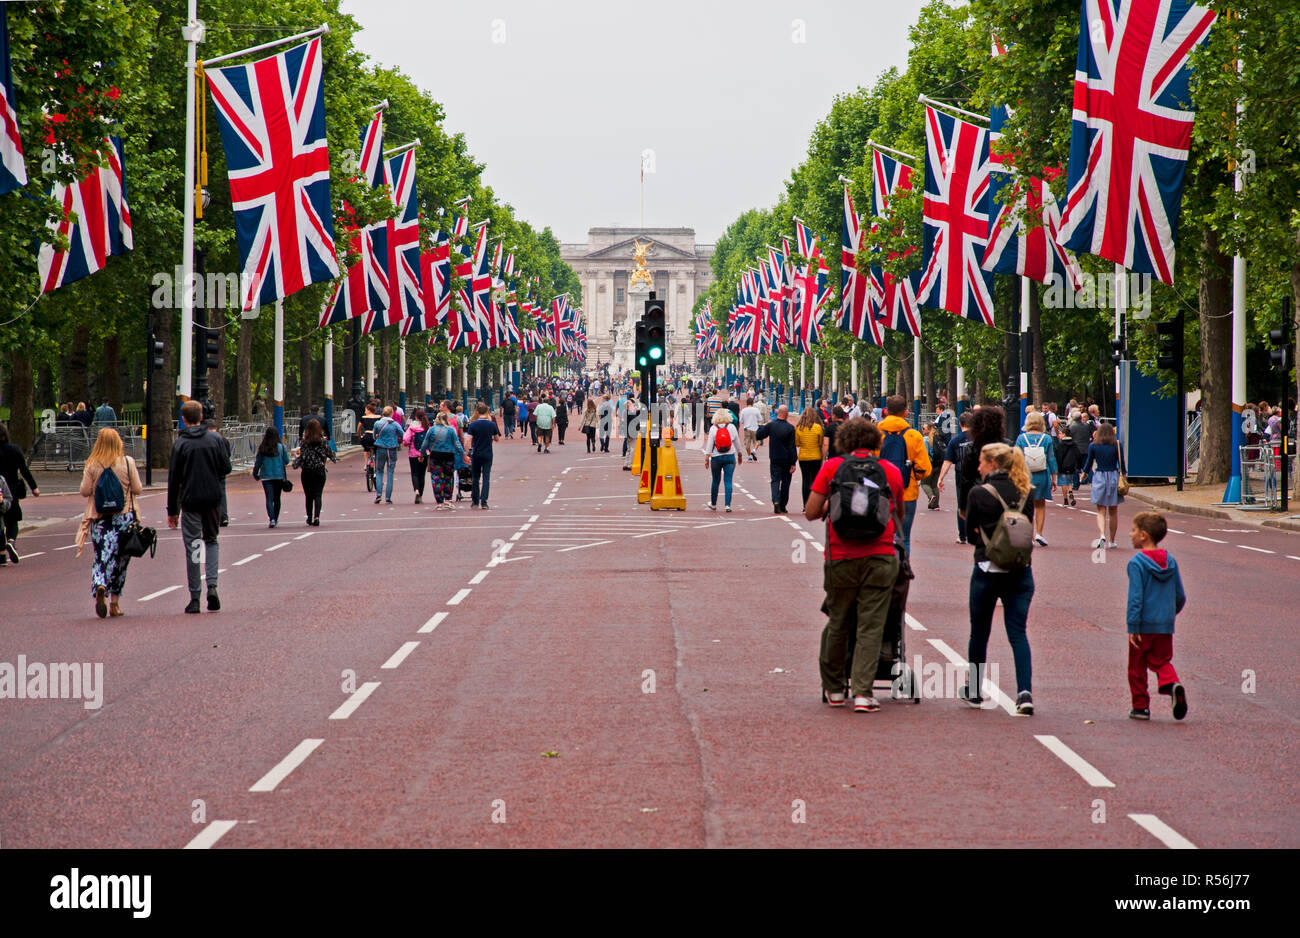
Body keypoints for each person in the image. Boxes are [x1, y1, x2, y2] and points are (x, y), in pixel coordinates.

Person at [805, 418, 904, 713]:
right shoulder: (890, 471)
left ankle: (835, 689)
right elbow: (896, 513)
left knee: (838, 622)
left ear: (844, 442)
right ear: (876, 442)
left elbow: (811, 512)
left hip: (841, 556)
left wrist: (834, 503)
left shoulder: (832, 467)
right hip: (880, 556)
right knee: (871, 626)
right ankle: (863, 693)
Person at [962, 442, 1035, 715]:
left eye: (981, 462)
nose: (978, 467)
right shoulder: (1026, 491)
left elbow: (970, 534)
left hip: (987, 569)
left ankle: (974, 690)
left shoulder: (978, 493)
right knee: (1018, 633)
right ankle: (1024, 692)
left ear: (992, 464)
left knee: (979, 633)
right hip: (1020, 571)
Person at [167, 400, 231, 614]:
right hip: (213, 499)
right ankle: (212, 586)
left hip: (190, 500)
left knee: (194, 547)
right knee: (211, 541)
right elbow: (226, 467)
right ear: (201, 416)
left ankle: (195, 597)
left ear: (184, 419)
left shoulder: (180, 444)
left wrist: (172, 510)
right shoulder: (215, 439)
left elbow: (174, 479)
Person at [1126, 511, 1188, 721]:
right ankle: (1172, 685)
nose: (1130, 534)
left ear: (1143, 535)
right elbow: (1180, 595)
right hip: (1164, 624)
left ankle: (1140, 706)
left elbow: (1136, 598)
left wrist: (1133, 626)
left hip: (1143, 624)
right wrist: (1169, 614)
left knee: (1136, 667)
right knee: (1162, 661)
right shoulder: (1170, 561)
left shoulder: (1137, 563)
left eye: (1133, 530)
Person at [76, 427, 143, 617]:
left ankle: (100, 584)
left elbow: (84, 491)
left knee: (101, 557)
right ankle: (115, 603)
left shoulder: (92, 464)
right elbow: (137, 489)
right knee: (121, 560)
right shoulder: (127, 462)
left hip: (100, 519)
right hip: (124, 518)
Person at [877, 395, 932, 555]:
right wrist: (913, 476)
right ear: (906, 412)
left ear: (886, 411)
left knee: (880, 537)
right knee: (904, 538)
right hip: (907, 492)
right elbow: (924, 468)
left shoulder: (876, 433)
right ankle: (902, 572)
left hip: (881, 493)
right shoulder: (913, 436)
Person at [1015, 411, 1058, 547]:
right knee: (1040, 505)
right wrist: (1054, 477)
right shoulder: (1047, 439)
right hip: (1042, 474)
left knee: (1027, 506)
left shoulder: (1021, 439)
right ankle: (1039, 533)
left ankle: (1030, 536)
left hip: (1026, 475)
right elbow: (1051, 459)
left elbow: (1017, 458)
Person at [0, 422, 39, 566]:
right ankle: (11, 541)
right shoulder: (14, 450)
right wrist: (34, 487)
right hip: (11, 489)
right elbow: (24, 470)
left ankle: (2, 556)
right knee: (12, 521)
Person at [1082, 422, 1124, 548]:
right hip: (1113, 476)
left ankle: (1101, 535)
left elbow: (1089, 463)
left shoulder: (1093, 446)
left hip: (1099, 476)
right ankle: (1112, 540)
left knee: (1100, 510)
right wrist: (1124, 475)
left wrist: (1084, 474)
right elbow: (1123, 464)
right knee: (1113, 511)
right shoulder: (1117, 445)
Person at [292, 418, 336, 526]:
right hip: (320, 470)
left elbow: (302, 456)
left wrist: (296, 462)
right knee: (318, 494)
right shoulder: (323, 442)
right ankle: (317, 516)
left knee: (308, 495)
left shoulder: (304, 443)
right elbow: (331, 454)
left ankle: (309, 517)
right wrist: (332, 458)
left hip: (307, 471)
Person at [938, 411, 974, 543]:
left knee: (962, 505)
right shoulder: (980, 438)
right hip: (978, 476)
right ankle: (975, 532)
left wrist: (940, 478)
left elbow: (947, 461)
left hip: (962, 477)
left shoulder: (955, 441)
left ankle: (962, 535)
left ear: (960, 424)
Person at [756, 404, 797, 514]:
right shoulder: (790, 428)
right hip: (787, 459)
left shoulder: (771, 425)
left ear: (778, 413)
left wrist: (761, 426)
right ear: (786, 414)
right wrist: (793, 462)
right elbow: (792, 446)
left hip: (775, 457)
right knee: (786, 482)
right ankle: (783, 505)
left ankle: (776, 500)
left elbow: (759, 435)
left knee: (775, 480)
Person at [421, 412, 465, 510]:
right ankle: (448, 500)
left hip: (435, 456)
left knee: (436, 478)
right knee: (448, 477)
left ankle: (439, 502)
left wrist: (422, 454)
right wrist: (463, 454)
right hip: (449, 456)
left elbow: (425, 444)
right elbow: (457, 443)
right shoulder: (451, 430)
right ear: (446, 419)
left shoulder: (432, 430)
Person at [703, 408, 742, 511]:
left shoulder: (713, 428)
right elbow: (737, 442)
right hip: (729, 456)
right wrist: (740, 454)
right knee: (728, 481)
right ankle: (727, 505)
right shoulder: (732, 427)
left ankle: (714, 504)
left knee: (715, 481)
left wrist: (707, 458)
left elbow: (709, 445)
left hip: (716, 457)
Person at [252, 427, 290, 528]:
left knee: (269, 498)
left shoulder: (262, 447)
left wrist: (255, 473)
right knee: (277, 498)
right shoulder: (281, 447)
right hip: (279, 475)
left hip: (266, 476)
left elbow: (258, 462)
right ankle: (276, 518)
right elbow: (286, 461)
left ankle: (271, 519)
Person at [465, 402, 501, 509]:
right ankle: (484, 502)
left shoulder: (473, 424)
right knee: (486, 478)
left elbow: (468, 440)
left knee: (475, 478)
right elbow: (497, 439)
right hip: (488, 453)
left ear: (477, 412)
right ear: (487, 412)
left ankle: (475, 501)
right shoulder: (491, 424)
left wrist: (466, 453)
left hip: (476, 453)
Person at [794, 406, 825, 510]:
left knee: (805, 480)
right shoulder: (818, 427)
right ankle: (814, 504)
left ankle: (805, 505)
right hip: (816, 456)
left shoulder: (799, 428)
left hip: (803, 457)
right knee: (815, 480)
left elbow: (797, 444)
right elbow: (820, 443)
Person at [371, 405, 403, 504]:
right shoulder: (395, 424)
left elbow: (374, 435)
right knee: (390, 473)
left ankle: (379, 494)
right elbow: (402, 434)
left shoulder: (377, 423)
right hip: (392, 449)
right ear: (392, 413)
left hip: (380, 448)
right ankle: (388, 497)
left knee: (379, 471)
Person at [402, 408, 431, 504]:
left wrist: (408, 444)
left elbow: (406, 439)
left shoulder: (412, 426)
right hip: (424, 453)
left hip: (413, 453)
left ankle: (416, 490)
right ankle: (421, 496)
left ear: (416, 416)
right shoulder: (427, 427)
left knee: (414, 473)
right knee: (422, 474)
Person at [739, 396, 762, 462]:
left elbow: (741, 420)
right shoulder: (756, 410)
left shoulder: (743, 410)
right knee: (757, 441)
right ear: (753, 403)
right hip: (755, 428)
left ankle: (749, 457)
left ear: (746, 403)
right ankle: (754, 450)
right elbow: (760, 419)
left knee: (747, 443)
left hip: (747, 428)